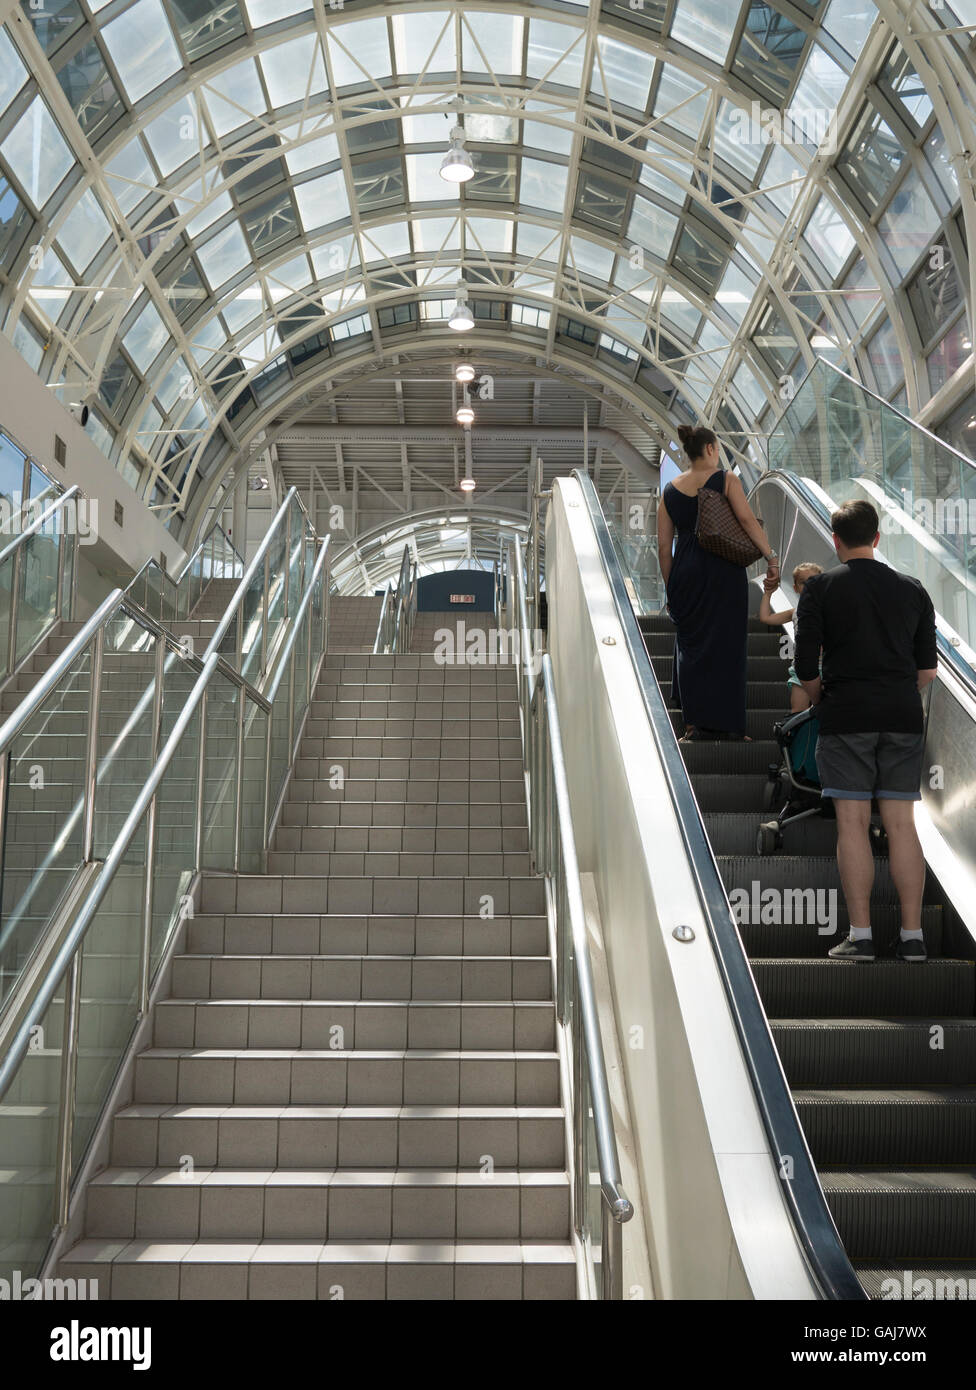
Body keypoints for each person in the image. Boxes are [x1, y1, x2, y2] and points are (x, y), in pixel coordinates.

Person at [793, 499, 938, 963]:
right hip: (901, 717)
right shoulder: (913, 590)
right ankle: (913, 937)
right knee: (901, 825)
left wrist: (820, 698)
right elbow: (928, 671)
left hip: (846, 716)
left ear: (835, 542)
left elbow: (804, 664)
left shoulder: (819, 589)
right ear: (877, 538)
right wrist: (896, 695)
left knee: (853, 824)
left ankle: (861, 935)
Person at [658, 424, 779, 741]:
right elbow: (746, 520)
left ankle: (693, 725)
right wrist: (770, 556)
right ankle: (731, 727)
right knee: (728, 646)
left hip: (686, 572)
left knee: (691, 647)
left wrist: (672, 588)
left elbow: (663, 547)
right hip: (724, 570)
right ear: (710, 449)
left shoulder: (669, 491)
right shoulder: (726, 479)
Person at [759, 562, 824, 712]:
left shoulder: (829, 609)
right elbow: (765, 618)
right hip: (801, 670)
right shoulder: (794, 612)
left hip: (827, 669)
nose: (809, 586)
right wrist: (768, 593)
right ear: (795, 588)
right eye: (803, 583)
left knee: (824, 714)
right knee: (797, 712)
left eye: (813, 581)